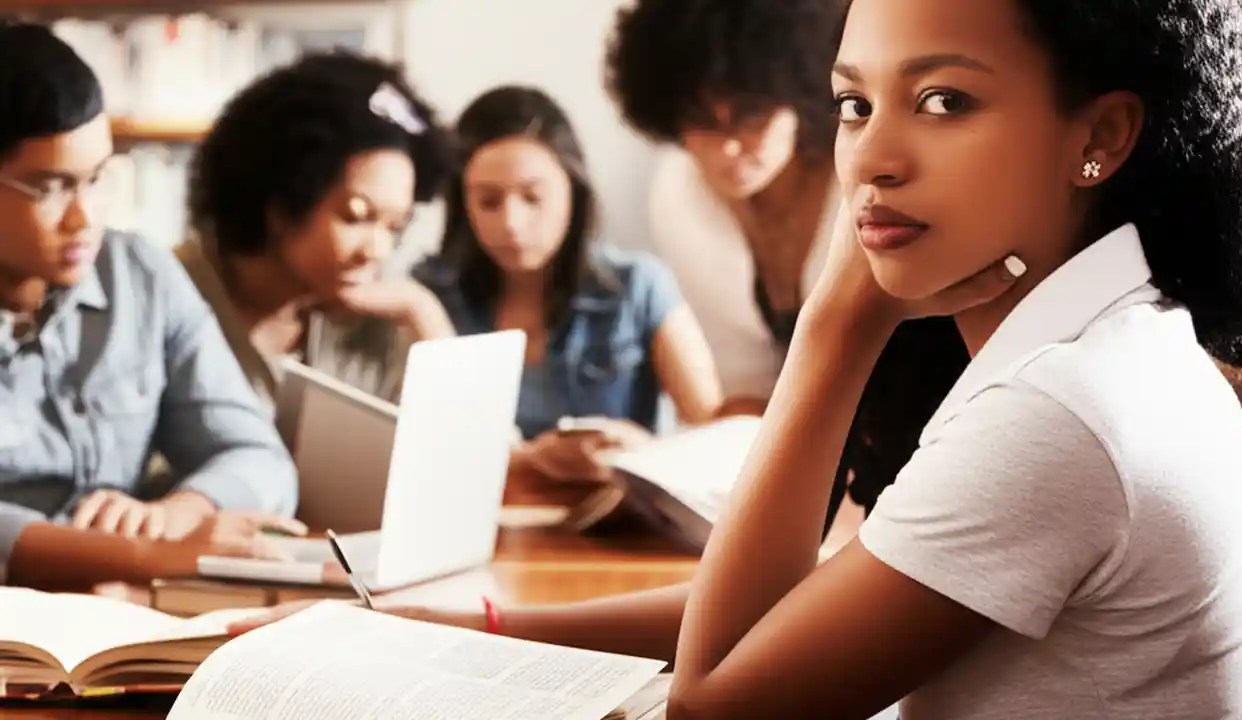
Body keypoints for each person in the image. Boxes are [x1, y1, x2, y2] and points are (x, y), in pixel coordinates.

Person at [668, 0, 1242, 716]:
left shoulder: (1062, 411)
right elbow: (806, 610)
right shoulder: (1126, 342)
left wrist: (835, 326)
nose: (870, 159)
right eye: (854, 104)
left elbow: (709, 706)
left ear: (1101, 136)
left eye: (943, 101)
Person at [0, 24, 302, 591]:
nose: (85, 218)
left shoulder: (141, 274)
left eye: (96, 179)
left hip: (119, 620)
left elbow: (258, 457)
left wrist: (178, 512)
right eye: (51, 188)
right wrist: (139, 556)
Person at [412, 86, 723, 482]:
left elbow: (717, 440)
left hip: (616, 532)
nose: (511, 223)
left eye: (532, 197)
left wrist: (645, 451)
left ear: (572, 190)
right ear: (463, 203)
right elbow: (421, 453)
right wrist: (529, 460)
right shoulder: (431, 294)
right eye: (488, 201)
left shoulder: (638, 286)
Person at [606, 0, 846, 409]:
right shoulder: (678, 193)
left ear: (799, 96)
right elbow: (741, 389)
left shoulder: (857, 179)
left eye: (751, 118)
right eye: (703, 123)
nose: (729, 148)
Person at [180, 52, 455, 409]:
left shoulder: (380, 314)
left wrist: (423, 311)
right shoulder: (171, 296)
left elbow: (486, 450)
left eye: (394, 227)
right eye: (356, 217)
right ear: (281, 204)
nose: (377, 250)